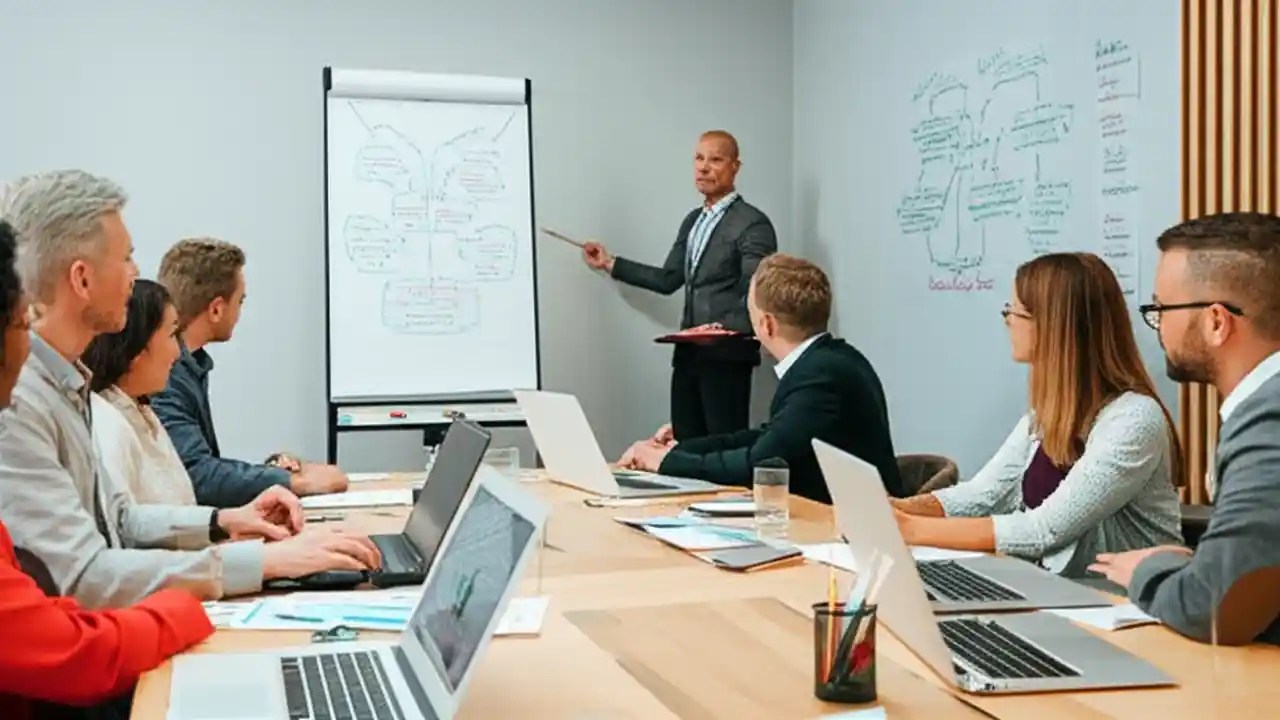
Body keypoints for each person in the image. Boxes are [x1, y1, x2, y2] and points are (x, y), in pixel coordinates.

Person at [0, 169, 380, 609]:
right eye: (126, 257)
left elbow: (118, 520)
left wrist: (224, 522)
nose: (136, 272)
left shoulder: (66, 383)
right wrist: (260, 561)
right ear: (82, 279)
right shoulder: (19, 405)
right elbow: (85, 577)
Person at [0, 219, 213, 720]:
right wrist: (187, 605)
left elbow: (48, 606)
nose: (27, 346)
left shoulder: (77, 392)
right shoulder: (28, 411)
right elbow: (74, 650)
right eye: (20, 324)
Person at [892, 253, 1184, 577]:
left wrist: (909, 529)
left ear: (1053, 326)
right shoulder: (1046, 414)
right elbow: (984, 495)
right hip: (1060, 594)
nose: (1007, 319)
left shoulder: (1134, 420)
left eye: (1014, 310)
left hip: (1124, 611)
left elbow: (1042, 530)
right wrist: (896, 508)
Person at [1089, 212, 1280, 646]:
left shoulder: (1269, 419)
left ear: (1217, 321)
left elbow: (1212, 607)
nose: (1158, 327)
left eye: (1160, 309)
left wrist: (1148, 571)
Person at [617, 253, 901, 504]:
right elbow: (768, 438)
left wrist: (667, 462)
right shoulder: (831, 360)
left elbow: (760, 463)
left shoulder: (820, 376)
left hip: (841, 534)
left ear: (766, 324)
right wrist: (682, 447)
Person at [582, 130, 776, 442]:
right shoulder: (693, 220)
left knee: (722, 451)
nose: (704, 167)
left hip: (726, 356)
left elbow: (756, 292)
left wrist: (718, 328)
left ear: (735, 167)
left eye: (715, 159)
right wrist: (610, 262)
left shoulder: (752, 223)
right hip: (688, 356)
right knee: (687, 448)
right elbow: (668, 279)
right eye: (699, 159)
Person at [150, 237, 348, 508]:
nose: (240, 311)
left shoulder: (190, 365)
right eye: (240, 301)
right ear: (217, 309)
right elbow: (197, 477)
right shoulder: (165, 375)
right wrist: (296, 482)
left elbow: (203, 465)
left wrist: (274, 472)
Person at [84, 279, 195, 505]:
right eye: (172, 334)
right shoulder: (106, 424)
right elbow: (127, 531)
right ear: (136, 346)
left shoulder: (142, 411)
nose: (177, 353)